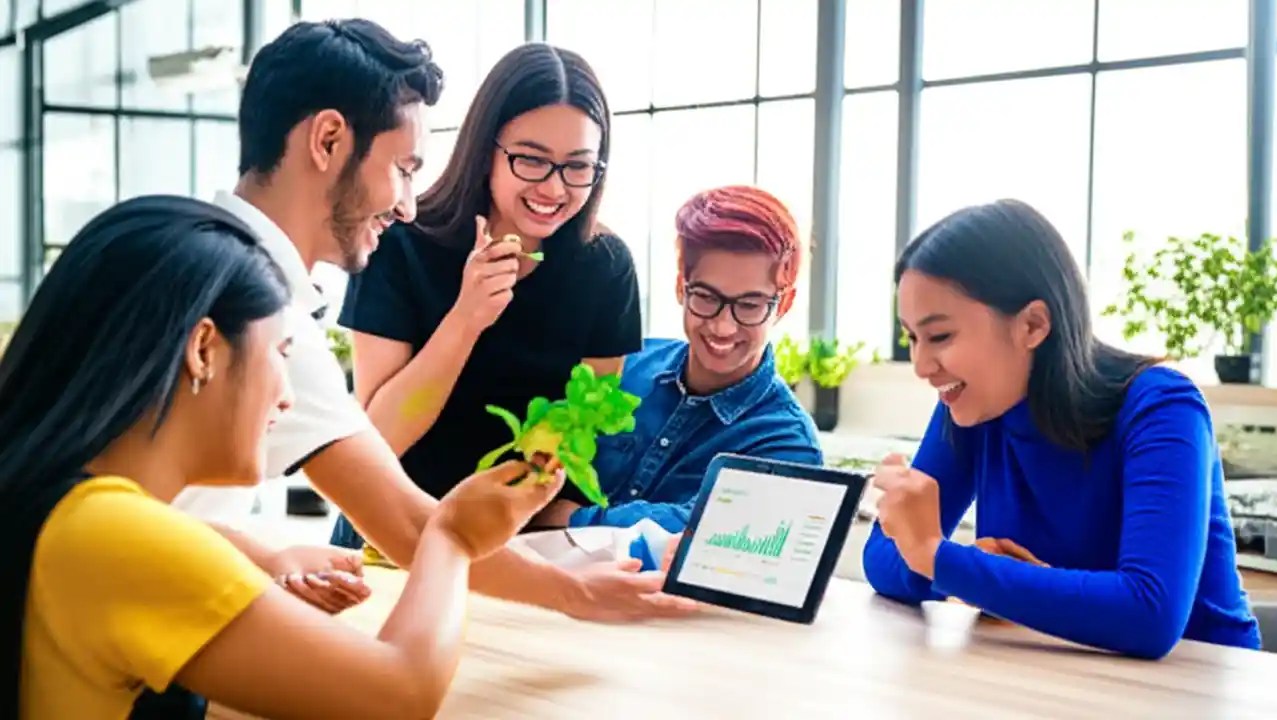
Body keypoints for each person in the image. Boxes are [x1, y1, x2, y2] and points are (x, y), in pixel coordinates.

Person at [171, 20, 690, 622]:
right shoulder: (259, 310)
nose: (407, 203)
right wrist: (465, 320)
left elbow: (153, 516)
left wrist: (262, 558)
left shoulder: (164, 248)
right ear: (329, 140)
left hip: (505, 548)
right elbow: (399, 504)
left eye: (578, 166)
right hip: (392, 552)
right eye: (404, 168)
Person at [1, 195, 563, 719]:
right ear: (203, 350)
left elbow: (171, 542)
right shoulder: (115, 536)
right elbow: (399, 693)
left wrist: (262, 561)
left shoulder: (65, 507)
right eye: (280, 352)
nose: (288, 396)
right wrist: (451, 539)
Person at [862, 198, 1262, 659]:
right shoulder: (971, 407)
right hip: (1057, 677)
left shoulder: (1161, 407)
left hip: (1202, 688)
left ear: (1032, 324)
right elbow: (882, 561)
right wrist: (951, 562)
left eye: (940, 337)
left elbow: (1149, 613)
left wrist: (944, 560)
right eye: (911, 338)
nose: (920, 365)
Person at [335, 42, 644, 541]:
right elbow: (378, 442)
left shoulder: (605, 267)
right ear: (485, 151)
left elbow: (581, 434)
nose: (554, 188)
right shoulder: (401, 244)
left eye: (578, 166)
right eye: (531, 160)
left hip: (521, 538)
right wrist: (467, 318)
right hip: (391, 532)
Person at [532, 185, 824, 533]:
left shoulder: (786, 443)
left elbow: (705, 532)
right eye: (705, 297)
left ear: (784, 304)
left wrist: (567, 516)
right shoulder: (621, 365)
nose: (723, 326)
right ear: (679, 287)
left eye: (749, 306)